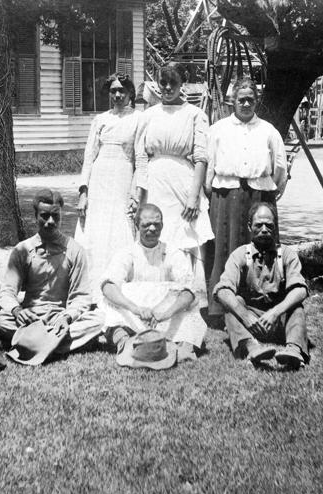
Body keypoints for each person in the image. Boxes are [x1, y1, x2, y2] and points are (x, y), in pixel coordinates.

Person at [205, 77, 288, 318]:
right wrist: (214, 194)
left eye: (250, 99)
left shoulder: (268, 130)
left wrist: (270, 193)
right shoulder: (218, 129)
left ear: (257, 101)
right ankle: (221, 307)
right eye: (241, 99)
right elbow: (209, 165)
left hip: (259, 194)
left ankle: (262, 301)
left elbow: (280, 168)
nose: (245, 104)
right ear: (232, 101)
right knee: (223, 250)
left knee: (261, 248)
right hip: (225, 196)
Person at [0, 189, 103, 357]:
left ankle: (30, 343)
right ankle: (55, 343)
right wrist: (17, 311)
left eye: (55, 216)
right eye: (44, 216)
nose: (50, 221)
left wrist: (67, 318)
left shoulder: (75, 250)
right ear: (36, 216)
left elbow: (81, 297)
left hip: (61, 319)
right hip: (30, 319)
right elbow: (7, 292)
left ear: (61, 216)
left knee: (98, 321)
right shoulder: (22, 250)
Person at [100, 204, 206, 363]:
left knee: (190, 309)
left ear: (162, 226)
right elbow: (108, 286)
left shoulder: (173, 252)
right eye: (145, 225)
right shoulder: (126, 252)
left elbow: (188, 291)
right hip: (136, 312)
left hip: (165, 314)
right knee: (109, 303)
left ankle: (181, 346)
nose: (151, 228)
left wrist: (166, 313)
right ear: (137, 226)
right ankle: (125, 342)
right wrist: (136, 309)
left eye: (156, 224)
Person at [212, 202, 309, 369]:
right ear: (250, 227)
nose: (264, 229)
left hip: (279, 320)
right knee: (232, 305)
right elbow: (222, 291)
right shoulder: (240, 255)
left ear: (275, 227)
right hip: (250, 323)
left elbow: (300, 289)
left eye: (269, 225)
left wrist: (275, 312)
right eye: (258, 225)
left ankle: (294, 350)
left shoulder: (286, 254)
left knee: (297, 308)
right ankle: (252, 347)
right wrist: (245, 315)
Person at [135, 62, 214, 257]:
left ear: (182, 84)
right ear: (157, 84)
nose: (168, 88)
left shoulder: (196, 115)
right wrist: (138, 192)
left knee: (186, 235)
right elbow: (141, 156)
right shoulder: (148, 115)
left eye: (173, 82)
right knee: (154, 235)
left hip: (183, 183)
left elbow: (201, 158)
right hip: (154, 184)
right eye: (163, 83)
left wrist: (194, 197)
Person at [76, 73, 143, 300]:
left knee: (119, 229)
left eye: (122, 91)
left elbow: (140, 159)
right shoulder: (100, 119)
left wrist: (135, 192)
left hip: (123, 178)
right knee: (96, 232)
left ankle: (118, 288)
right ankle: (91, 291)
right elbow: (89, 157)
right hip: (99, 180)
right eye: (113, 91)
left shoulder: (139, 119)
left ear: (130, 93)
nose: (117, 95)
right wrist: (83, 193)